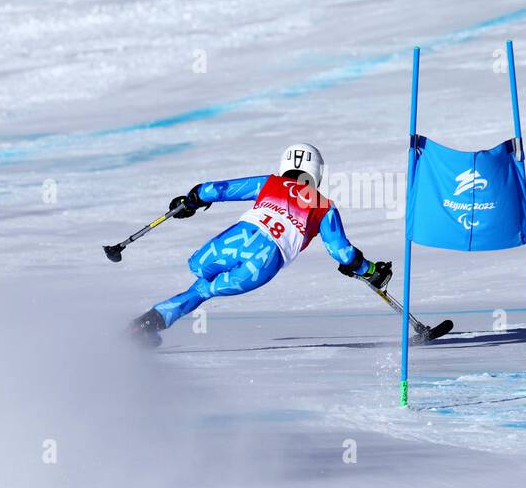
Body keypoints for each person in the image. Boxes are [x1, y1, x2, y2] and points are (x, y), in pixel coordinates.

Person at [133, 143, 390, 346]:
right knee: (205, 290)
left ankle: (148, 322)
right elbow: (342, 253)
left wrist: (192, 200)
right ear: (318, 173)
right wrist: (368, 270)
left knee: (198, 273)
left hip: (233, 240)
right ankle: (152, 322)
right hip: (265, 260)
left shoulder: (270, 183)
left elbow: (218, 189)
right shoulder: (323, 206)